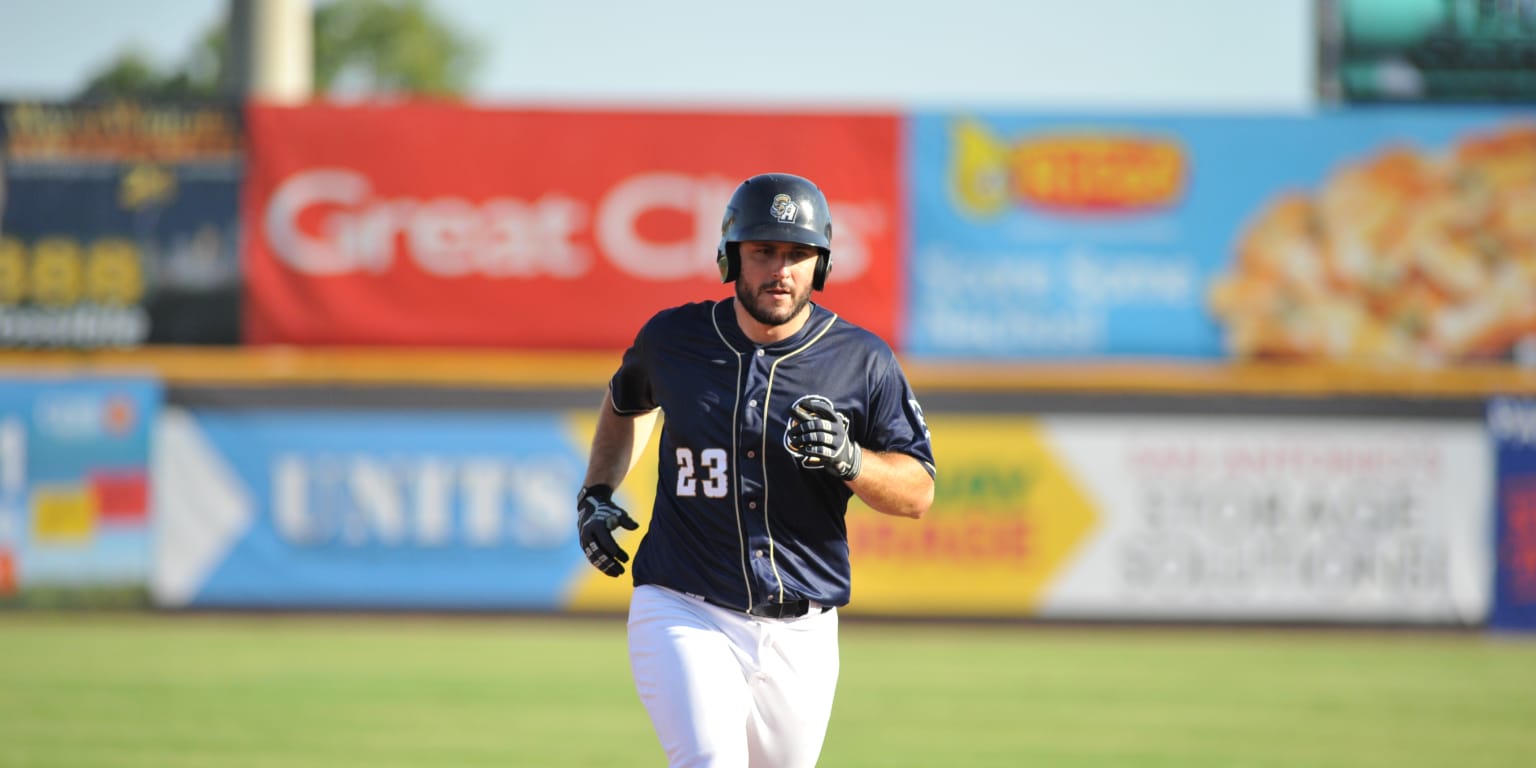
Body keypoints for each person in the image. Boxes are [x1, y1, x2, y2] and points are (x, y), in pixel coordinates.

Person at [576, 172, 936, 767]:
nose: (780, 269)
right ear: (731, 255)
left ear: (821, 264)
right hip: (684, 604)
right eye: (764, 250)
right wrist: (596, 491)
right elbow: (628, 402)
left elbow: (918, 492)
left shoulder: (861, 360)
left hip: (803, 628)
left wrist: (851, 460)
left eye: (798, 253)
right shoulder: (673, 339)